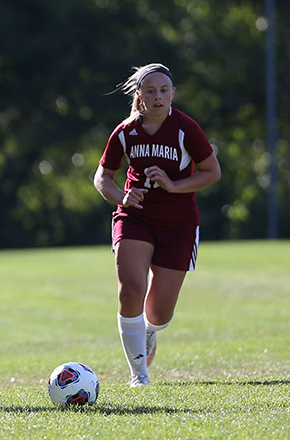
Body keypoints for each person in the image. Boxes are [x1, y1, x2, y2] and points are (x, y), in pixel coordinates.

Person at [93, 63, 221, 387]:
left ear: (173, 94)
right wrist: (122, 198)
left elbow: (212, 172)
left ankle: (148, 332)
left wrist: (174, 185)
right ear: (140, 96)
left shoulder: (186, 128)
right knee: (131, 289)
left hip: (178, 225)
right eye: (151, 91)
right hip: (135, 217)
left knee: (159, 314)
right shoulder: (125, 132)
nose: (158, 96)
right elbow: (102, 177)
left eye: (164, 90)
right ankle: (139, 374)